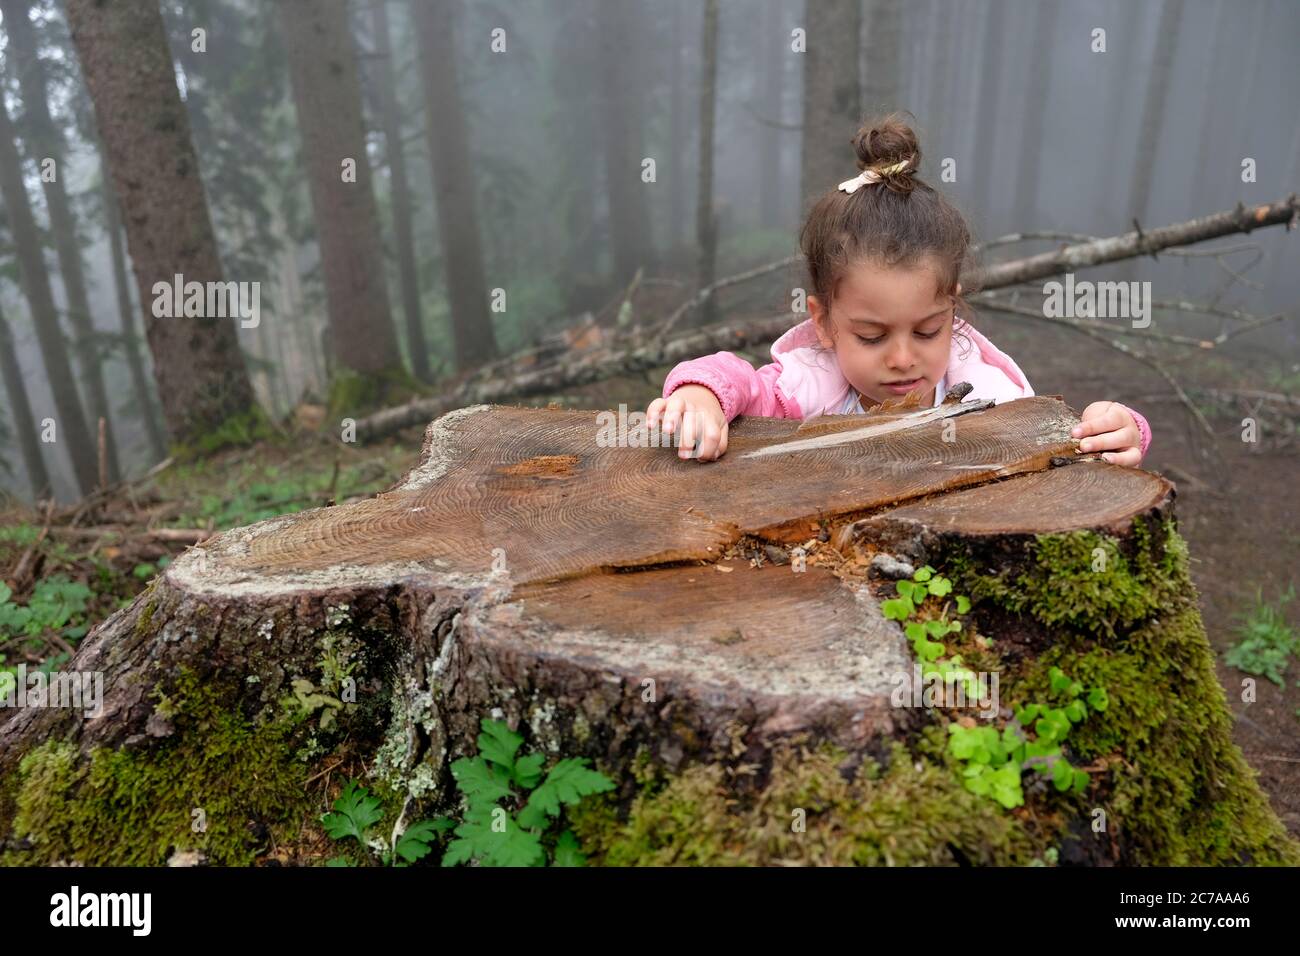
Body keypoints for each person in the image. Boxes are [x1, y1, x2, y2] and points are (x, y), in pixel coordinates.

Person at [645, 113, 1151, 466]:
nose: (904, 358)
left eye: (929, 330)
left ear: (952, 309)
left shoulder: (991, 396)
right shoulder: (810, 390)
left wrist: (1119, 429)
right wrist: (700, 393)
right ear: (822, 322)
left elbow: (1065, 446)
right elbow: (737, 379)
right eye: (871, 336)